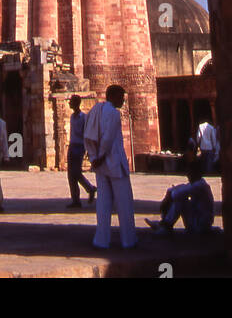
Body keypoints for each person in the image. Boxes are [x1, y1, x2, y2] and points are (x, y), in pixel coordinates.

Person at [83, 84, 137, 249]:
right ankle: (128, 240)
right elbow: (107, 138)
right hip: (113, 162)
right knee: (124, 202)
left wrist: (93, 157)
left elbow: (88, 134)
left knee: (103, 204)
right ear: (113, 96)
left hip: (100, 166)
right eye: (121, 97)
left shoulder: (96, 109)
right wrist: (100, 156)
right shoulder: (113, 113)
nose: (123, 100)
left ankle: (101, 240)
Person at [147, 159, 215, 236]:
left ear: (197, 173)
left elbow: (177, 194)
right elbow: (180, 188)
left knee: (179, 200)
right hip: (197, 220)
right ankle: (163, 223)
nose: (187, 175)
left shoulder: (200, 186)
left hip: (200, 226)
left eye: (189, 172)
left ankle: (166, 226)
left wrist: (168, 197)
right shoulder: (196, 184)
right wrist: (169, 193)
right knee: (179, 197)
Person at [65, 95, 96, 209]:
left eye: (71, 102)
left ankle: (90, 188)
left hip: (80, 146)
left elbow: (87, 133)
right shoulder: (72, 117)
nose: (69, 104)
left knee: (76, 172)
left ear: (76, 103)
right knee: (71, 174)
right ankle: (76, 200)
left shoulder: (83, 117)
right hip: (72, 146)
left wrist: (88, 148)